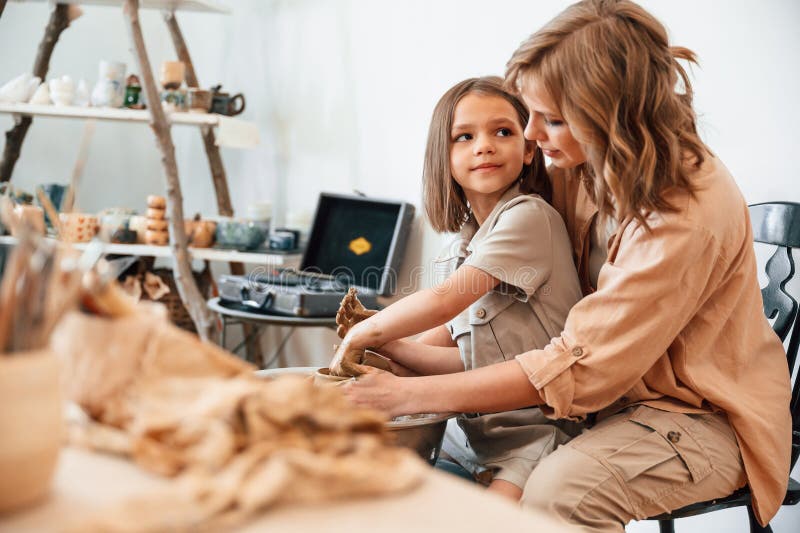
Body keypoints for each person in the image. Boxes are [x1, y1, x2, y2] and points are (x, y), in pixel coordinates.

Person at [339, 1, 792, 530]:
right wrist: (396, 351)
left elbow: (581, 366)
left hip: (701, 415)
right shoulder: (580, 161)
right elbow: (479, 302)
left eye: (551, 119)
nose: (531, 135)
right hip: (607, 400)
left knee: (557, 494)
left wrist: (405, 394)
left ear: (611, 116)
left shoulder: (684, 210)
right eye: (531, 114)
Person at [329, 76, 584, 501]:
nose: (484, 145)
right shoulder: (460, 247)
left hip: (535, 438)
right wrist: (388, 354)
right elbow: (457, 362)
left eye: (502, 131)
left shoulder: (529, 218)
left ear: (527, 150)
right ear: (442, 158)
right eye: (464, 136)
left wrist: (366, 333)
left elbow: (446, 300)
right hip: (468, 436)